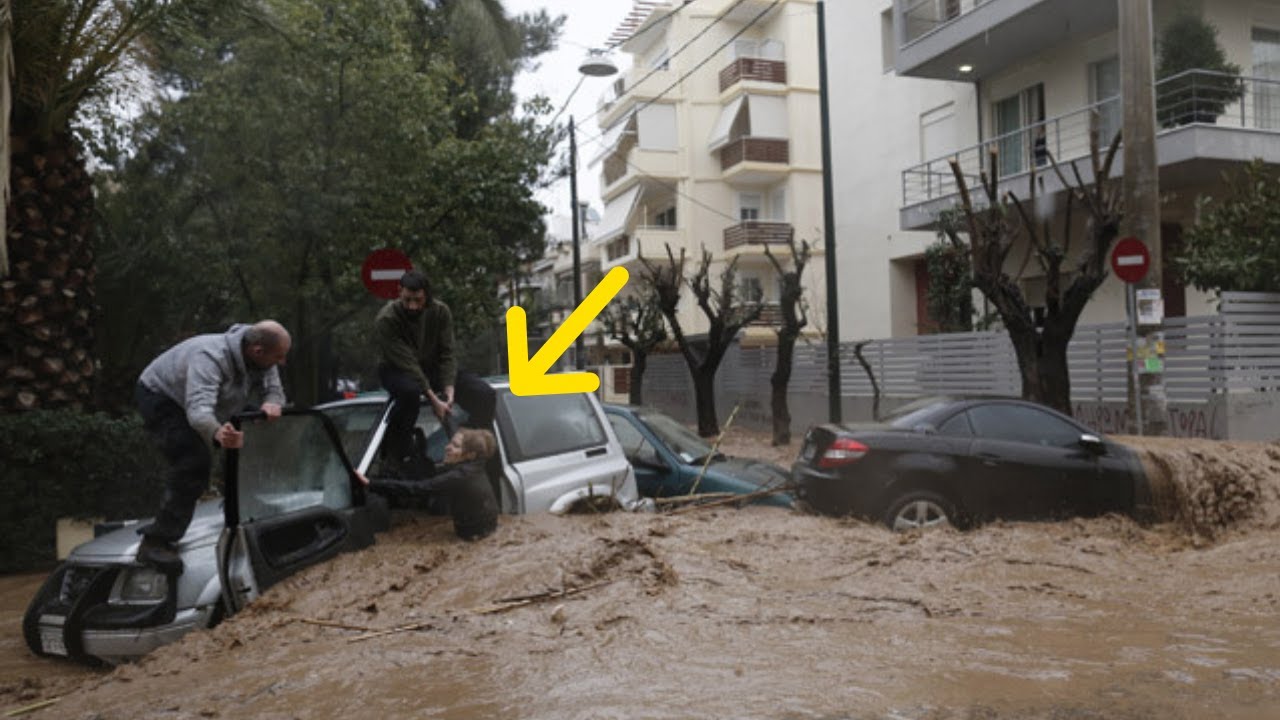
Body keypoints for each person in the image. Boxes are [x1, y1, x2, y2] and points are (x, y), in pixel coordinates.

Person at [134, 321, 291, 573]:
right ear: (257, 351)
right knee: (193, 460)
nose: (282, 362)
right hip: (163, 396)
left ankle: (242, 505)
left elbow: (274, 392)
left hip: (216, 400)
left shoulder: (264, 355)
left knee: (251, 429)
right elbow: (198, 411)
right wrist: (218, 433)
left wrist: (272, 403)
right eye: (279, 357)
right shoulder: (209, 357)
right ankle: (156, 541)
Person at [375, 269, 496, 478]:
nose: (412, 306)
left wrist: (449, 391)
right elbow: (409, 365)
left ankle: (472, 444)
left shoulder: (440, 312)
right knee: (409, 393)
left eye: (418, 300)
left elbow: (448, 353)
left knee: (483, 393)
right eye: (407, 300)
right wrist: (433, 399)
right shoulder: (387, 319)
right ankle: (397, 455)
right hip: (397, 369)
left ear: (427, 296)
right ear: (399, 291)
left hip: (433, 367)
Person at [438, 428, 499, 540]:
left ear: (470, 455)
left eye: (456, 446)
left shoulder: (461, 475)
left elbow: (424, 486)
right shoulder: (476, 466)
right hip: (484, 530)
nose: (447, 447)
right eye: (450, 443)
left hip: (471, 535)